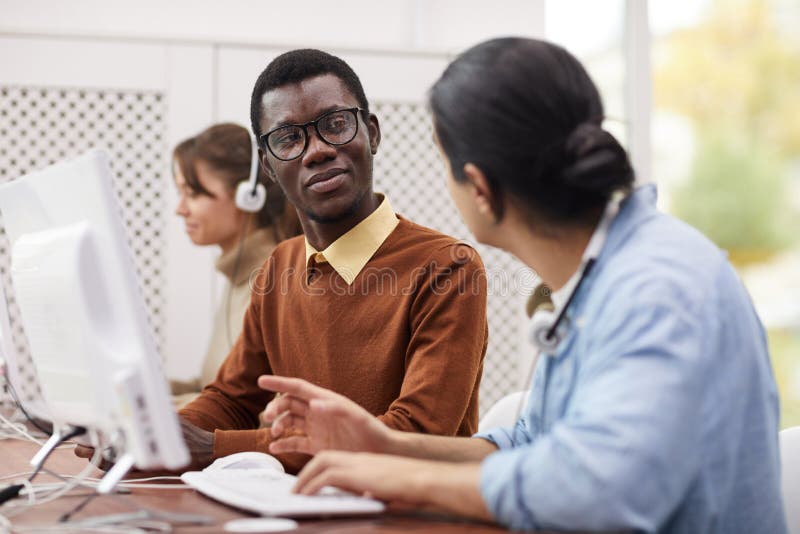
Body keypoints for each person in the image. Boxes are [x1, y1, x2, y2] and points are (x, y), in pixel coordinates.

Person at [258, 38, 788, 533]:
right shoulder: (601, 278)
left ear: (481, 189)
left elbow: (597, 490)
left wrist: (399, 478)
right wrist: (383, 445)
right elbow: (532, 444)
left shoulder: (659, 287)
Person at [172, 49, 488, 473]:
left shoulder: (449, 267)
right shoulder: (278, 267)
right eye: (288, 139)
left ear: (371, 133)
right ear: (268, 166)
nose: (316, 150)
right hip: (302, 506)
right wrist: (162, 436)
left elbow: (414, 435)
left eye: (335, 125)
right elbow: (230, 400)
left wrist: (214, 447)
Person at [169, 123, 302, 409]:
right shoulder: (238, 276)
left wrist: (151, 410)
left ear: (247, 197)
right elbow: (212, 386)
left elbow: (257, 410)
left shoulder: (276, 281)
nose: (180, 209)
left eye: (192, 193)